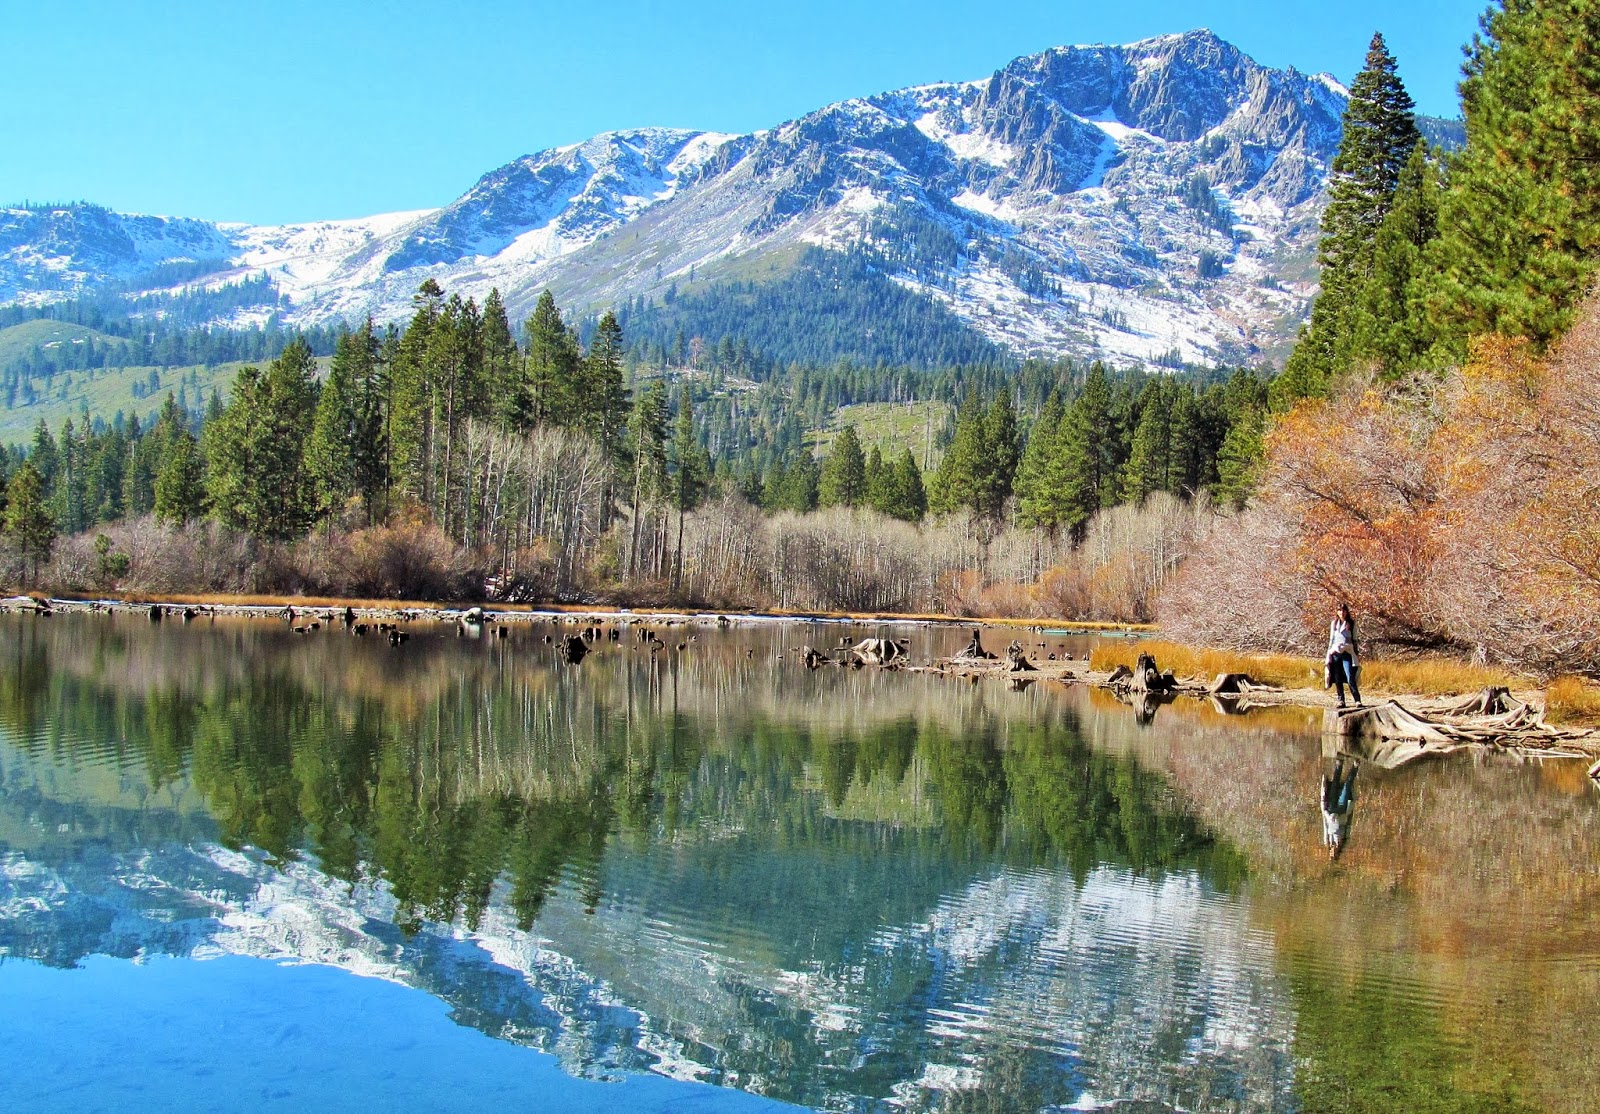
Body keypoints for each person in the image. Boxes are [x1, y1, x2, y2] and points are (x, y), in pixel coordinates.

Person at [1320, 757, 1359, 859]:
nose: (1333, 852)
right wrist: (1351, 809)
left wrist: (1324, 811)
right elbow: (1349, 823)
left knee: (1334, 786)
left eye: (1331, 854)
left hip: (1331, 811)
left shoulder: (1327, 841)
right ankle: (1355, 766)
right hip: (1342, 811)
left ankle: (1339, 764)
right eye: (1334, 854)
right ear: (1337, 854)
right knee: (1347, 787)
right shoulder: (1345, 840)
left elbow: (1325, 825)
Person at [1326, 602, 1362, 708]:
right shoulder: (1334, 623)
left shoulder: (1352, 624)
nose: (1342, 613)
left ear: (1347, 612)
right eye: (1340, 610)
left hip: (1347, 653)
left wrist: (1356, 653)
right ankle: (1341, 700)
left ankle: (1357, 700)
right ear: (1337, 612)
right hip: (1335, 653)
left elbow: (1355, 640)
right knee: (1337, 677)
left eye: (1344, 610)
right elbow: (1331, 639)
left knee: (1350, 676)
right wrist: (1328, 653)